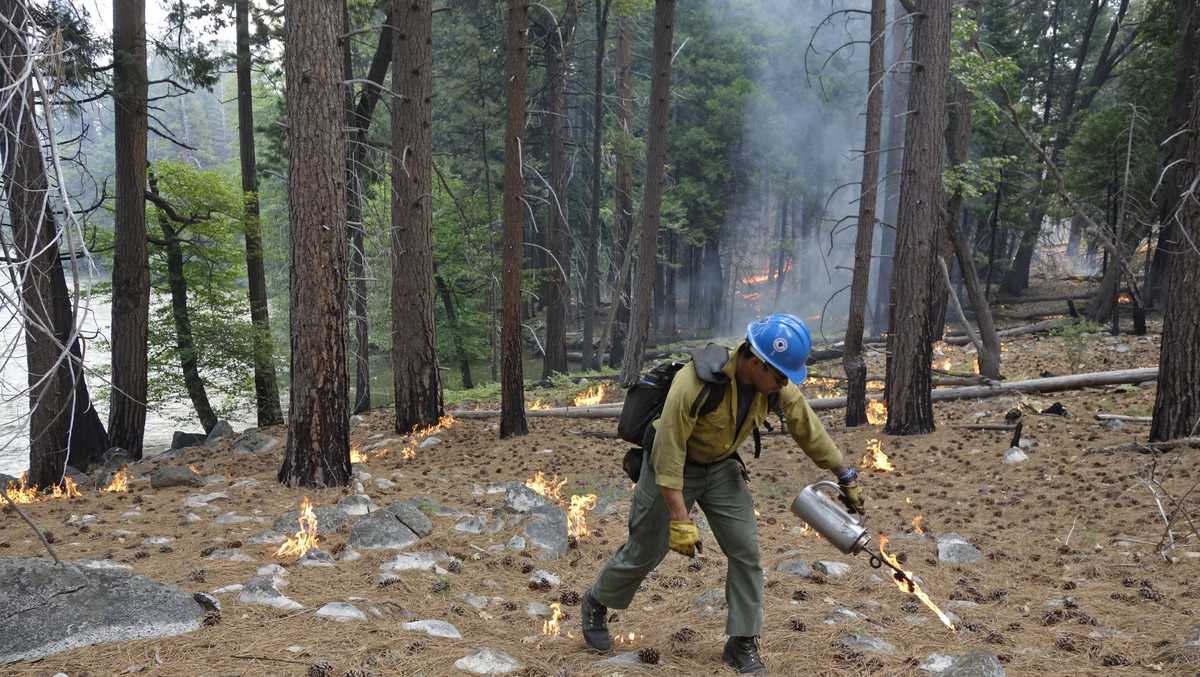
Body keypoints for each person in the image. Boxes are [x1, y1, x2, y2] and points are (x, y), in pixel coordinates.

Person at [580, 313, 865, 675]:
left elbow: (808, 429)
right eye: (778, 376)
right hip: (672, 465)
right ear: (755, 361)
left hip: (720, 467)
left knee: (746, 550)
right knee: (645, 550)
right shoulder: (694, 383)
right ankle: (597, 601)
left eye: (784, 378)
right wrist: (681, 519)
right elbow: (668, 454)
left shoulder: (775, 384)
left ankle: (742, 640)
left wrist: (844, 473)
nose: (781, 384)